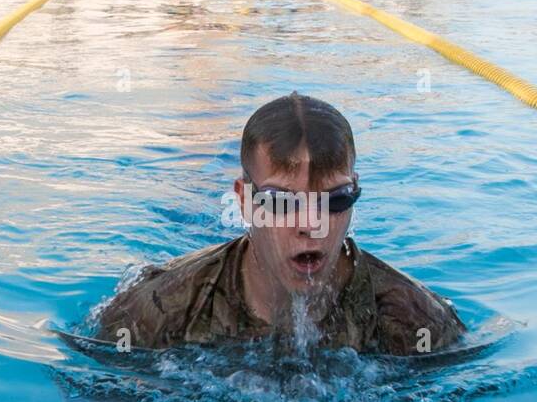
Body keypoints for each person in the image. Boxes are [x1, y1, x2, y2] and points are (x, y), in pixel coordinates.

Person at [95, 93, 465, 356]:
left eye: (335, 199)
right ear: (244, 200)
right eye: (281, 202)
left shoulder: (416, 321)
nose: (312, 225)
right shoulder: (159, 310)